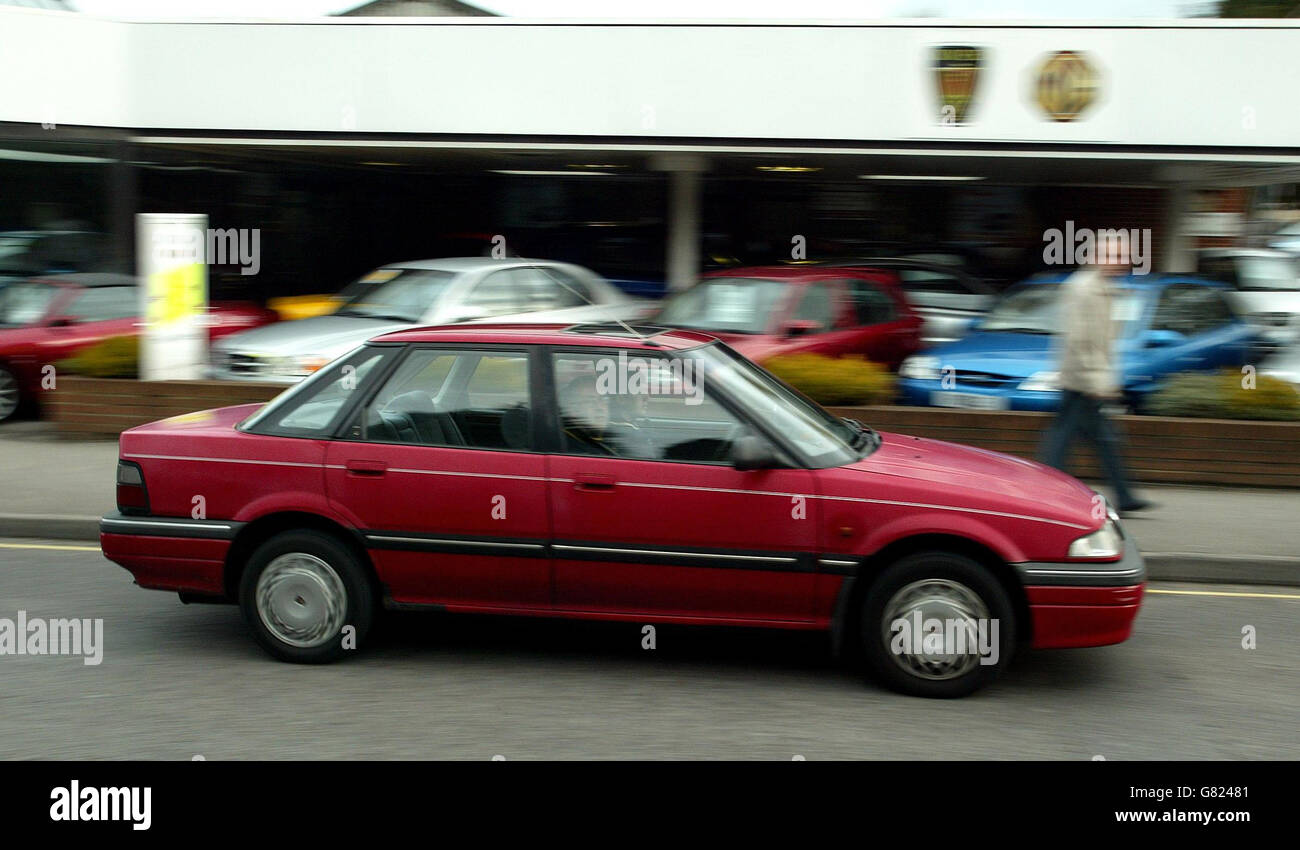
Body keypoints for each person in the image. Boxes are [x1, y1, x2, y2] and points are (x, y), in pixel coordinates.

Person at [1039, 232, 1153, 515]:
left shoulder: (1105, 287)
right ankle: (1043, 493)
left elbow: (1103, 339)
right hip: (1082, 378)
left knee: (1098, 438)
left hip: (1088, 377)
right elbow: (1080, 339)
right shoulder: (1083, 289)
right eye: (1113, 256)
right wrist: (1094, 380)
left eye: (1123, 256)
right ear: (1094, 257)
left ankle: (1124, 495)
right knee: (1065, 438)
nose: (1121, 262)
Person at [559, 374, 656, 459]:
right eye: (590, 401)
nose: (599, 407)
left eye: (602, 399)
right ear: (572, 408)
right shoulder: (565, 444)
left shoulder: (622, 434)